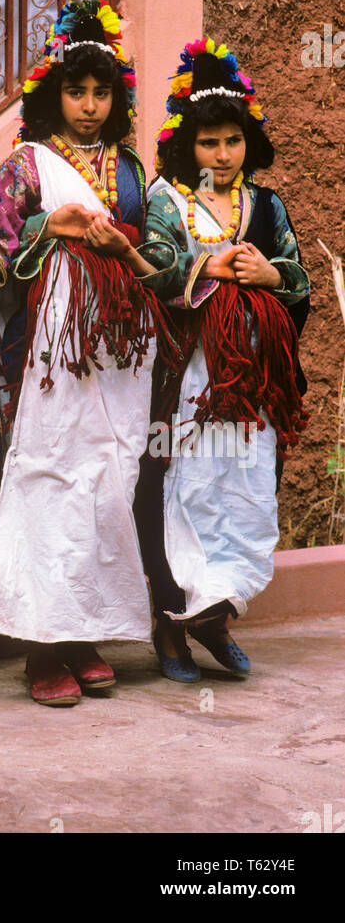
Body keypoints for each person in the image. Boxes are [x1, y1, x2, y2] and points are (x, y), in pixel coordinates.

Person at [0, 0, 175, 707]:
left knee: (106, 484)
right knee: (47, 481)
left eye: (100, 92)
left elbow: (163, 257)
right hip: (49, 356)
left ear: (116, 99)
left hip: (118, 354)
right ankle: (42, 646)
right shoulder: (25, 165)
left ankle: (85, 635)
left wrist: (124, 246)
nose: (88, 106)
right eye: (75, 91)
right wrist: (45, 229)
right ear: (52, 95)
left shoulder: (131, 171)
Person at [135, 38, 309, 682]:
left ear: (248, 142)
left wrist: (271, 274)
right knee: (176, 492)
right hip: (186, 382)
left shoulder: (266, 206)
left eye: (233, 141)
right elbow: (152, 267)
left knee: (242, 491)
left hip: (250, 385)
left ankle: (215, 619)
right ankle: (170, 625)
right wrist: (203, 267)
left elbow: (299, 279)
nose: (223, 155)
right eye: (209, 143)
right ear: (188, 145)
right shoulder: (166, 200)